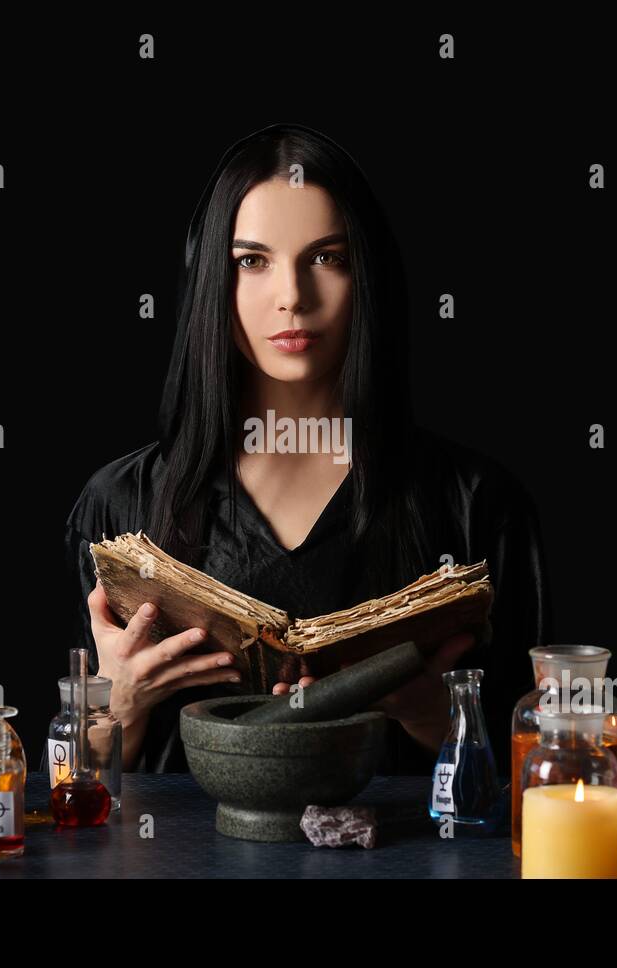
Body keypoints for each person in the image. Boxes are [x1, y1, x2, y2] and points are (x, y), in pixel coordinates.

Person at [65, 123, 550, 774]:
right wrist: (118, 706)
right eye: (252, 260)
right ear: (214, 277)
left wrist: (437, 716)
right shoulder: (119, 505)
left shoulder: (477, 504)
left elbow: (549, 777)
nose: (292, 296)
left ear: (367, 274)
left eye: (327, 256)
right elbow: (63, 790)